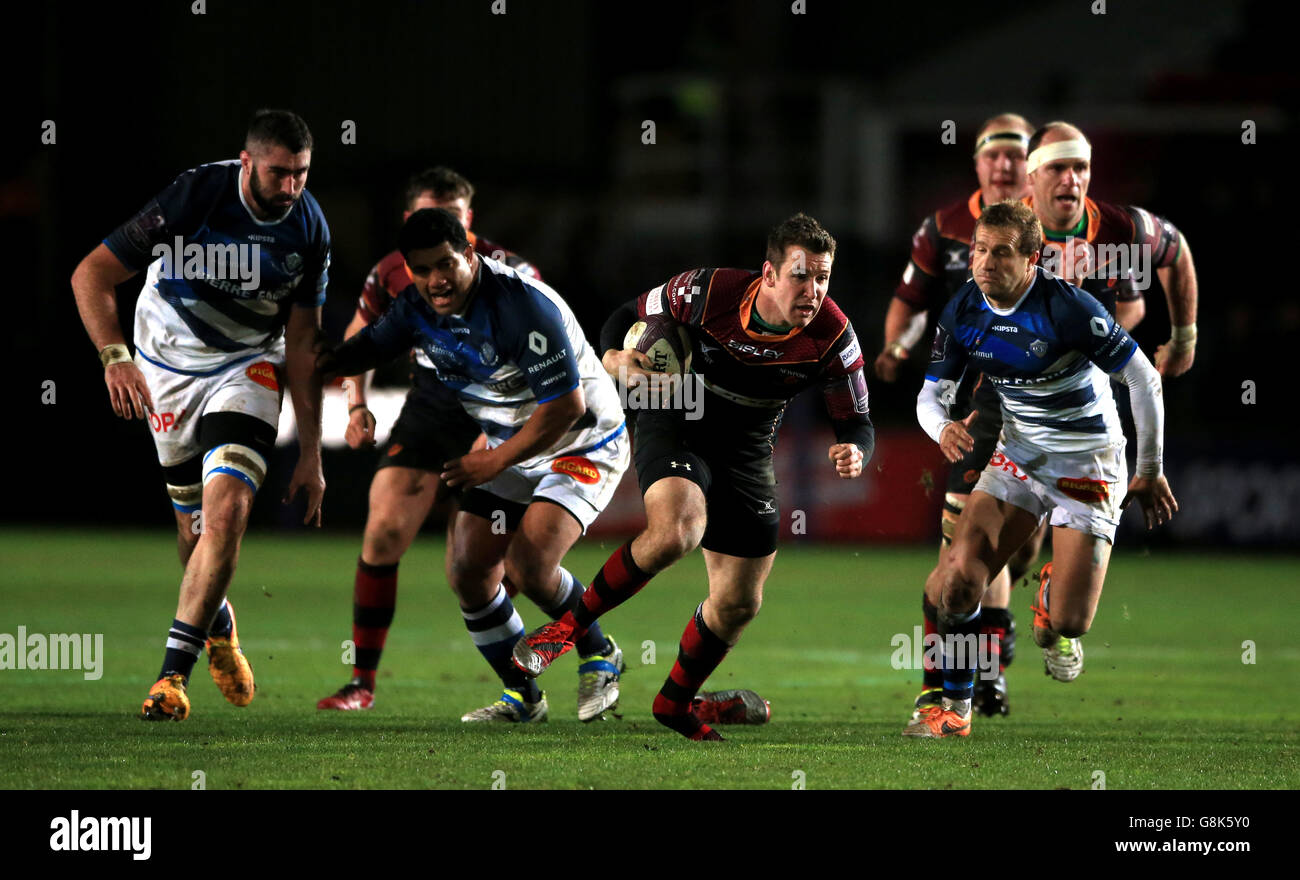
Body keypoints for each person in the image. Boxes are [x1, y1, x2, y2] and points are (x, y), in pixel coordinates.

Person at [511, 213, 875, 741]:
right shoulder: (707, 292)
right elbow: (628, 313)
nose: (813, 290)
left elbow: (857, 421)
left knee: (739, 603)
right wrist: (613, 357)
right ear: (769, 274)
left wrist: (855, 450)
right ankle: (567, 630)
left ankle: (674, 704)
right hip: (677, 413)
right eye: (801, 276)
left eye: (823, 278)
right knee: (676, 531)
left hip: (747, 449)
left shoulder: (833, 334)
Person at [316, 208, 626, 723]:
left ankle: (601, 654)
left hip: (582, 443)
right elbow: (364, 350)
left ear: (469, 254)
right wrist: (310, 359)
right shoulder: (415, 307)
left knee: (529, 565)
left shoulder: (520, 305)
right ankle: (522, 696)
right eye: (422, 270)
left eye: (445, 264)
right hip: (511, 446)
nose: (436, 280)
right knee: (469, 571)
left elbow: (566, 408)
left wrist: (492, 462)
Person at [70, 109, 329, 721]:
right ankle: (220, 626)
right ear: (247, 162)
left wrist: (312, 452)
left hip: (248, 366)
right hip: (165, 364)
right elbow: (92, 273)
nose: (291, 186)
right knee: (194, 537)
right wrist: (115, 358)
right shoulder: (194, 197)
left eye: (301, 173)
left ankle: (171, 677)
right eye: (279, 173)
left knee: (228, 511)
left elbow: (303, 343)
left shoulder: (310, 229)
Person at [905, 200, 1176, 738]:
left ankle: (1053, 600)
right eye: (980, 250)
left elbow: (1143, 379)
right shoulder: (964, 308)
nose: (985, 263)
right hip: (1019, 456)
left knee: (1070, 623)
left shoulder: (1068, 308)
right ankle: (955, 708)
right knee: (956, 581)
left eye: (1001, 253)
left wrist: (1149, 469)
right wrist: (942, 427)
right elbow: (930, 395)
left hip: (1089, 462)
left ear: (1032, 258)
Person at [316, 167, 547, 712]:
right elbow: (361, 337)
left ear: (470, 222)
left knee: (493, 569)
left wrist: (500, 437)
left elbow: (544, 359)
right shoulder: (393, 272)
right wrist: (356, 404)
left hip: (502, 411)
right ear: (408, 220)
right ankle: (362, 684)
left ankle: (549, 669)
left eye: (453, 219)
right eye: (429, 217)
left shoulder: (513, 274)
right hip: (433, 407)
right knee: (382, 533)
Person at [875, 114, 1037, 718]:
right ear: (977, 164)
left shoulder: (1061, 226)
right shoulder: (942, 232)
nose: (1005, 165)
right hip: (976, 411)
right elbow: (911, 300)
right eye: (993, 154)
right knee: (965, 553)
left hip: (1049, 419)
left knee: (1017, 552)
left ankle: (993, 641)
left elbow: (1113, 309)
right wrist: (896, 348)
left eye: (1016, 154)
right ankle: (956, 681)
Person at [1023, 121, 1198, 376]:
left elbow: (1175, 249)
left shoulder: (1121, 226)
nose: (1071, 179)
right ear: (1031, 174)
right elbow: (985, 325)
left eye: (1080, 167)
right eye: (1057, 167)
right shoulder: (1002, 234)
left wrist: (1184, 340)